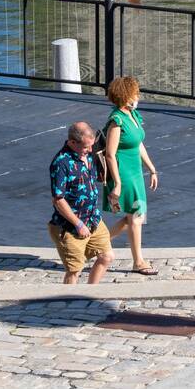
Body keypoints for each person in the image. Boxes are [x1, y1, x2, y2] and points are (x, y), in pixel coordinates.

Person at [102, 75, 159, 276]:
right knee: (136, 216)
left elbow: (138, 144)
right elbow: (110, 154)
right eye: (135, 93)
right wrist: (117, 183)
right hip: (124, 174)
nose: (138, 96)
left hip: (135, 173)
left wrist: (151, 168)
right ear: (126, 96)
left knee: (131, 217)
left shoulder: (133, 116)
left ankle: (98, 244)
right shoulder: (116, 121)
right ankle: (138, 262)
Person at [48, 121, 114, 285]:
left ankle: (91, 292)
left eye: (91, 146)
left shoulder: (88, 155)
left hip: (93, 219)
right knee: (74, 271)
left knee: (107, 256)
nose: (90, 150)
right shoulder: (61, 163)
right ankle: (71, 304)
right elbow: (58, 199)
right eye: (85, 147)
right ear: (72, 142)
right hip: (70, 227)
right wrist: (78, 224)